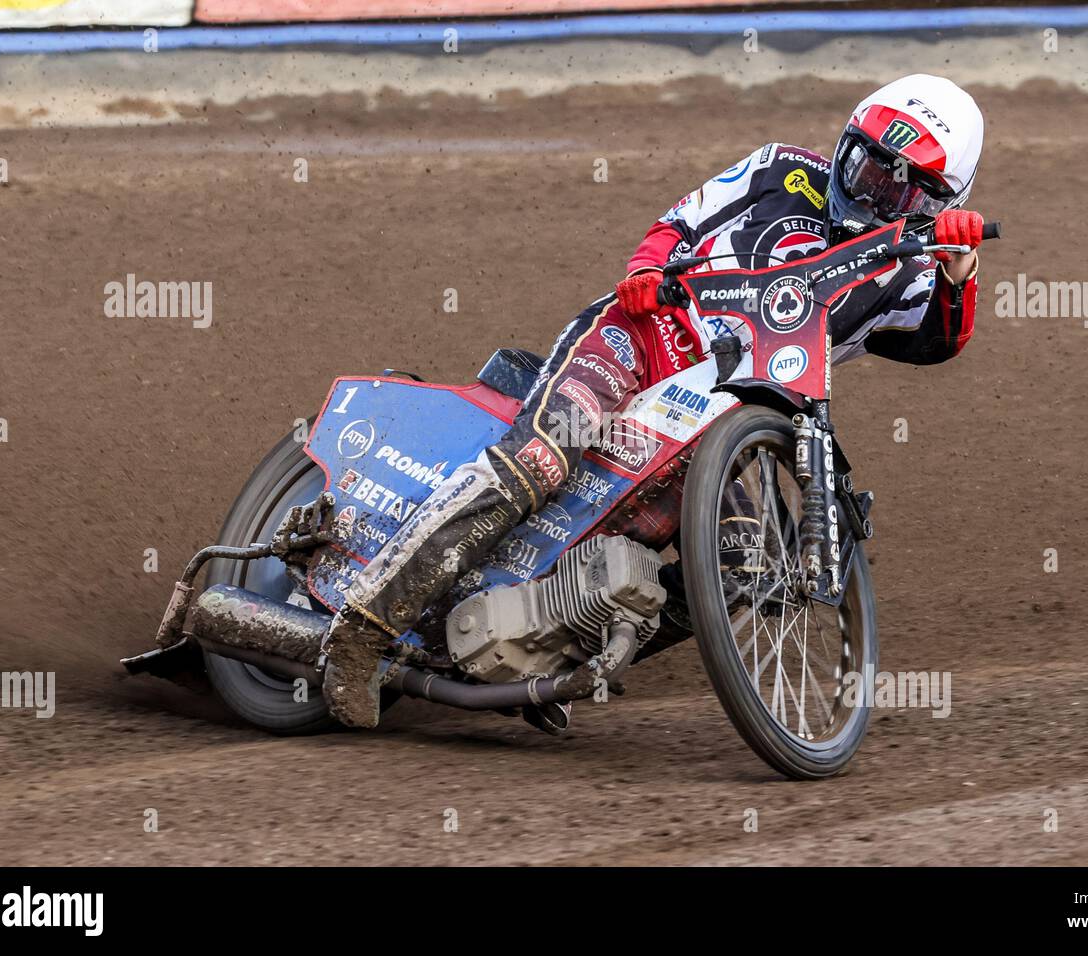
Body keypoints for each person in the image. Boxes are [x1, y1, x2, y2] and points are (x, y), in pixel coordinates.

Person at [321, 73, 988, 729]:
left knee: (741, 569)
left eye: (900, 184)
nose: (874, 188)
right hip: (645, 339)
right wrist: (645, 272)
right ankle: (359, 632)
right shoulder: (782, 168)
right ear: (844, 143)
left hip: (725, 416)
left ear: (935, 202)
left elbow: (936, 340)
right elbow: (680, 221)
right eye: (868, 164)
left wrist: (960, 273)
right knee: (543, 459)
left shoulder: (908, 269)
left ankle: (552, 651)